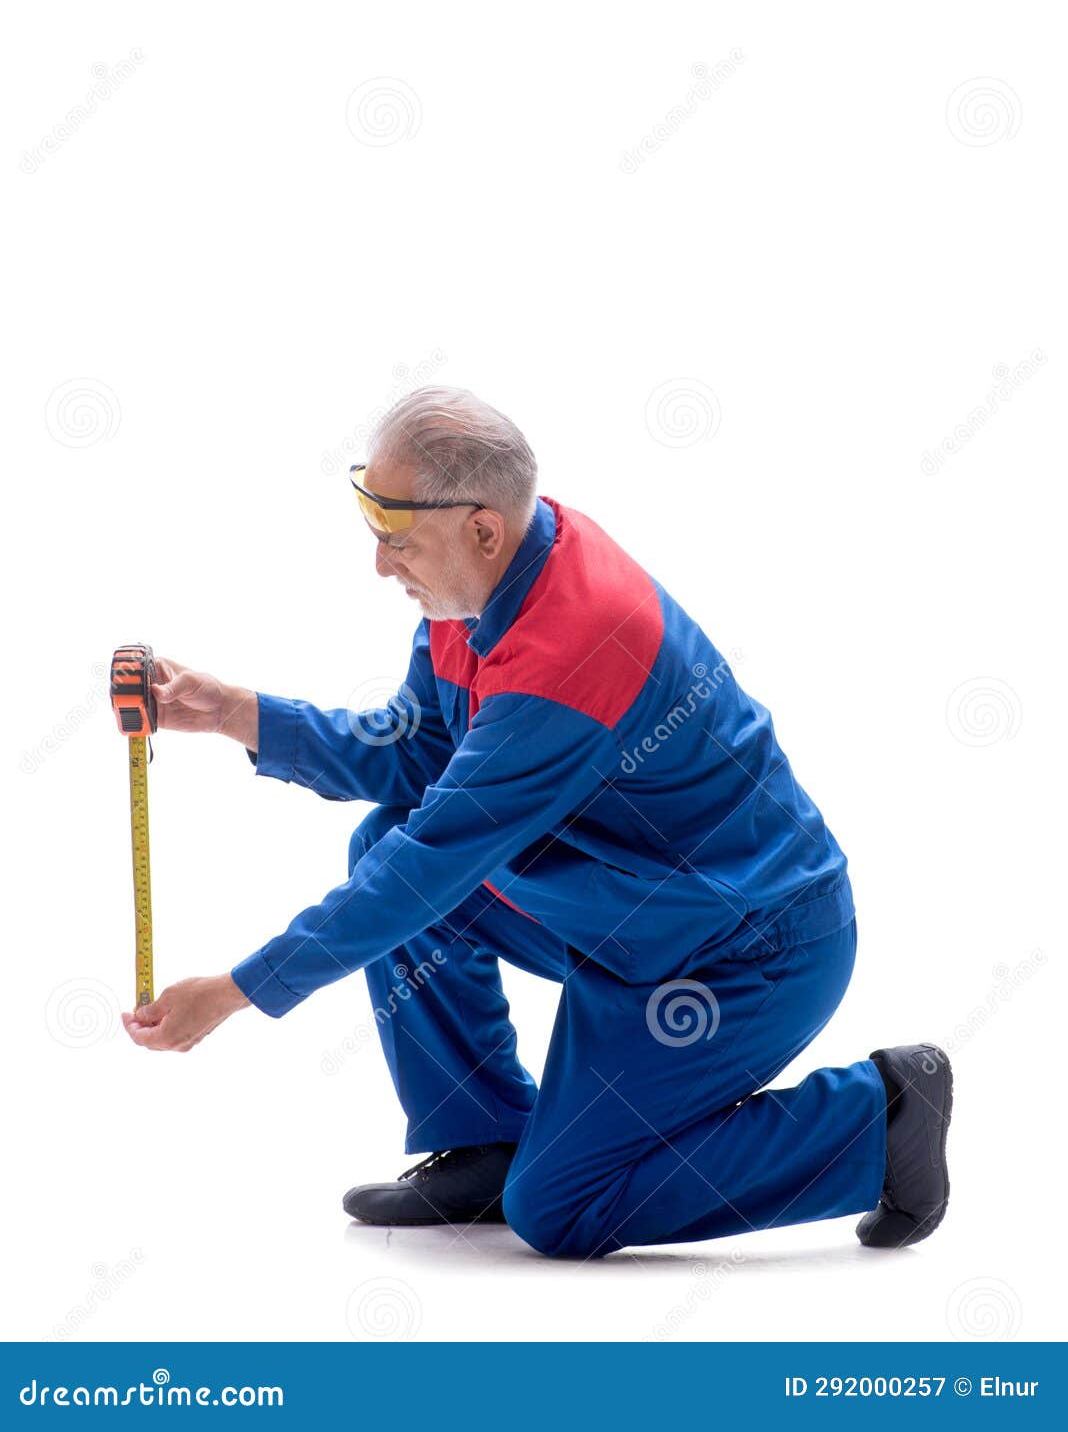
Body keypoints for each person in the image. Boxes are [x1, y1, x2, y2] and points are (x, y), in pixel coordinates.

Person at [122, 386, 952, 1258]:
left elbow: (434, 859)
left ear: (480, 526)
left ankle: (878, 1120)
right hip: (633, 914)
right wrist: (231, 712)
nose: (379, 566)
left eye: (395, 540)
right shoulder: (487, 586)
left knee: (563, 1208)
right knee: (386, 842)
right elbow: (417, 755)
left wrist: (237, 992)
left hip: (744, 955)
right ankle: (487, 1140)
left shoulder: (574, 648)